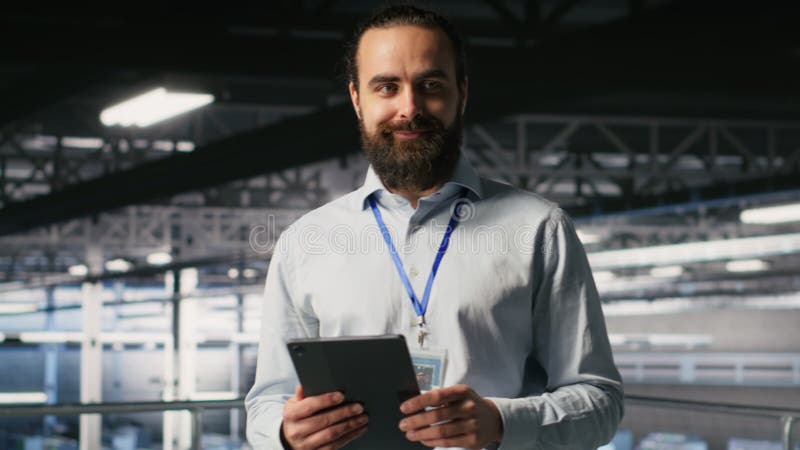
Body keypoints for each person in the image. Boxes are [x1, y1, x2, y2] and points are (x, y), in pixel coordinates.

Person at [245, 5, 623, 450]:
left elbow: (600, 404)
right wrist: (285, 434)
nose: (410, 107)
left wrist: (502, 422)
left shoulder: (539, 229)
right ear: (356, 99)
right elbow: (266, 402)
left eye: (430, 85)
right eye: (387, 86)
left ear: (461, 93)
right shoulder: (304, 243)